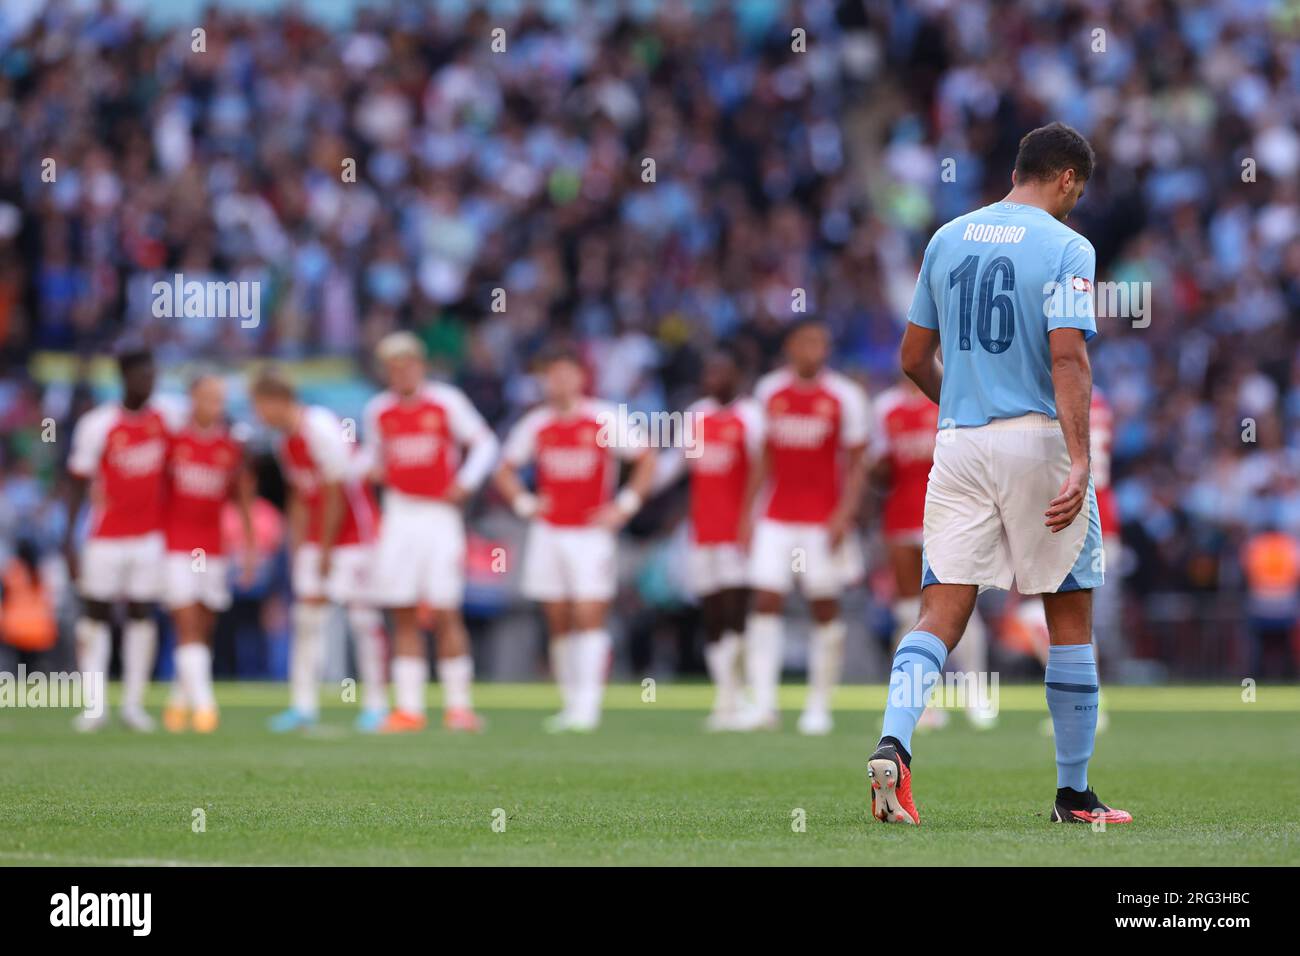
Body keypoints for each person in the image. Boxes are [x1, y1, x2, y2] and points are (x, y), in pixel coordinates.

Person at [871, 122, 1131, 826]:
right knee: (1069, 612)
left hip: (957, 443)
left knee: (939, 611)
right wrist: (1079, 459)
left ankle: (894, 742)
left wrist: (959, 404)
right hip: (1036, 439)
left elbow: (910, 357)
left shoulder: (947, 236)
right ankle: (1073, 794)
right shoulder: (1067, 245)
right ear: (1068, 179)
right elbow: (1070, 358)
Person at [493, 344, 656, 733]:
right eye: (553, 374)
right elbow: (504, 468)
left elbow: (646, 459)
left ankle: (589, 705)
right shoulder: (536, 424)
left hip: (590, 533)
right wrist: (525, 504)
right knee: (558, 616)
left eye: (567, 373)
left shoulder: (604, 418)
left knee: (589, 612)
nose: (560, 381)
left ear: (582, 378)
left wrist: (624, 506)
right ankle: (569, 702)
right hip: (550, 531)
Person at [736, 319, 870, 735]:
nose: (817, 349)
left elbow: (858, 464)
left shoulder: (845, 396)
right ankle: (764, 704)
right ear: (791, 346)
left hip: (820, 520)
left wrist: (843, 516)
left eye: (822, 342)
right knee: (764, 601)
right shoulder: (768, 392)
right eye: (808, 341)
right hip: (776, 517)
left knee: (823, 605)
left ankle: (818, 705)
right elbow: (763, 458)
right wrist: (747, 514)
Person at [362, 332, 499, 732]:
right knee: (402, 609)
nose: (402, 371)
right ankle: (409, 708)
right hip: (400, 515)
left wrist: (467, 483)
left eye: (408, 363)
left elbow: (485, 443)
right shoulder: (378, 411)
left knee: (444, 608)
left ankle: (459, 706)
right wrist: (370, 468)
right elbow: (373, 458)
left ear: (420, 365)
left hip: (439, 516)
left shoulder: (446, 402)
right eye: (393, 365)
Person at [250, 368, 387, 732]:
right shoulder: (285, 442)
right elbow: (299, 494)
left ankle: (376, 705)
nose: (258, 416)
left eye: (259, 407)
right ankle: (303, 706)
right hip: (316, 539)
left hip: (354, 536)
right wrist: (299, 546)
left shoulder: (320, 426)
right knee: (307, 620)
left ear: (275, 401)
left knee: (362, 618)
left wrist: (324, 548)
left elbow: (336, 490)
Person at [63, 347, 177, 731]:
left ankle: (133, 704)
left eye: (153, 375)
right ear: (124, 377)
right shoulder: (98, 425)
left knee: (141, 616)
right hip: (105, 537)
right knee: (94, 615)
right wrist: (68, 538)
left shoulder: (167, 419)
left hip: (150, 538)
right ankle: (95, 705)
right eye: (143, 375)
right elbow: (77, 483)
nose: (150, 382)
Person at [874, 375, 995, 730]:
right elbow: (881, 469)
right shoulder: (884, 409)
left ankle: (975, 693)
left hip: (950, 517)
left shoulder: (957, 396)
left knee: (960, 605)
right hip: (901, 518)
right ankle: (920, 702)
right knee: (906, 610)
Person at [656, 349, 763, 730]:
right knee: (713, 611)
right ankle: (726, 697)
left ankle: (751, 694)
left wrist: (751, 521)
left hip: (739, 531)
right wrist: (641, 482)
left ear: (737, 376)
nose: (713, 379)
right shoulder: (696, 415)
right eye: (710, 372)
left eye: (722, 372)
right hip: (703, 529)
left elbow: (763, 470)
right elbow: (678, 462)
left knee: (738, 610)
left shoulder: (750, 417)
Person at [160, 374, 256, 734]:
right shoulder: (173, 442)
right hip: (176, 544)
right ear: (192, 398)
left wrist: (249, 549)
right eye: (207, 398)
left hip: (212, 547)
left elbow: (244, 500)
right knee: (184, 621)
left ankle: (178, 699)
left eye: (219, 399)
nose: (214, 406)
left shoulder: (231, 448)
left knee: (203, 625)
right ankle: (205, 706)